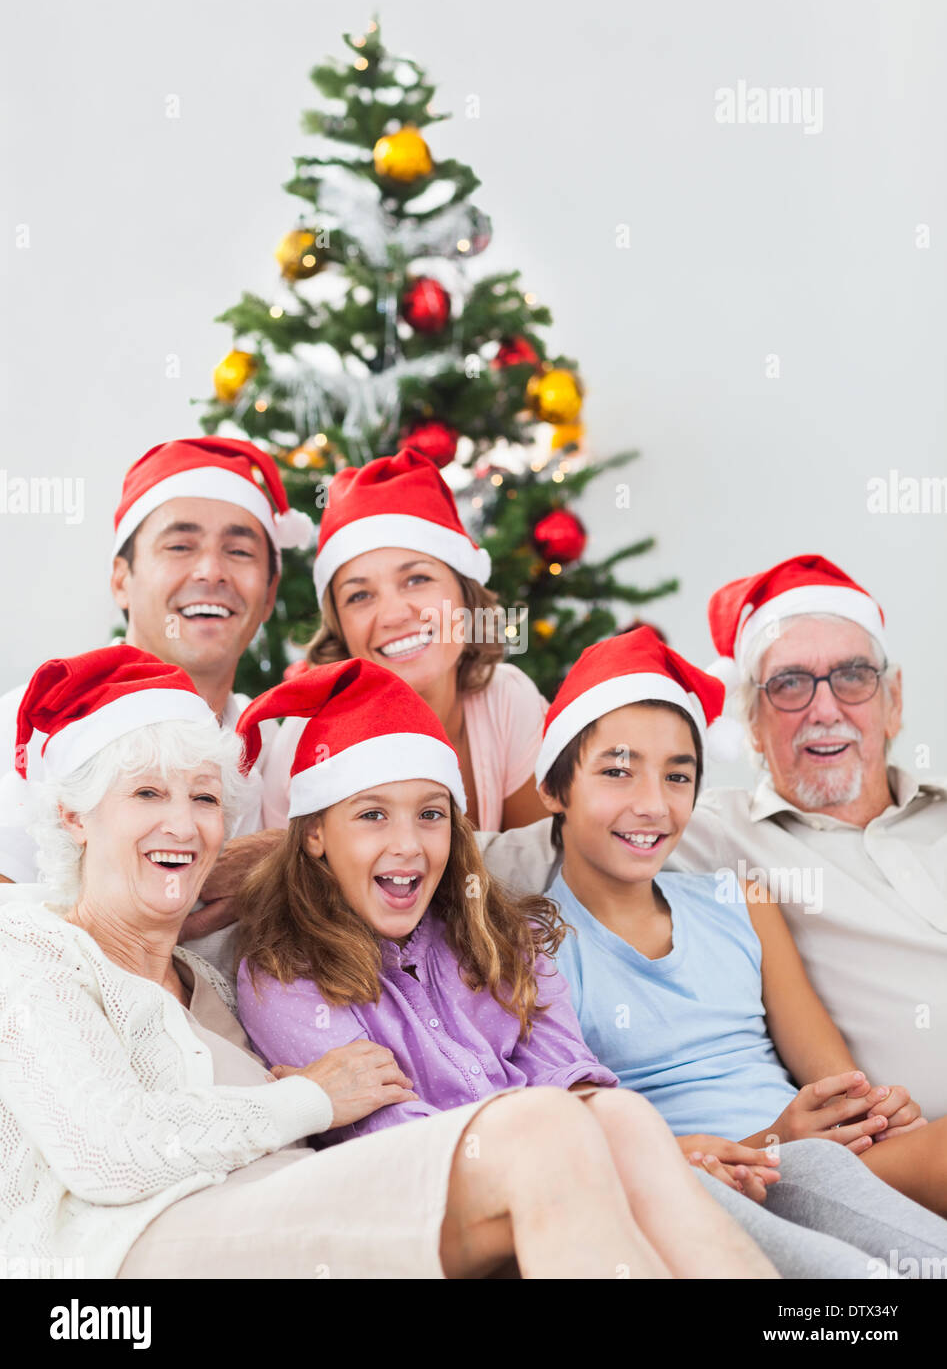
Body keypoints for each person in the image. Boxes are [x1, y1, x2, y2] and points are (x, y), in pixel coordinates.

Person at [0, 645, 777, 1281]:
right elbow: (110, 1152)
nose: (184, 825)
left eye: (204, 799)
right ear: (73, 815)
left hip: (296, 1214)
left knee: (622, 1119)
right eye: (146, 795)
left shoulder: (203, 981)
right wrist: (307, 1099)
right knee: (538, 1127)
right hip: (117, 1259)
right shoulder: (29, 946)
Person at [529, 626, 947, 1266]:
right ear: (554, 790)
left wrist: (872, 1110)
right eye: (617, 772)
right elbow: (581, 1147)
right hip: (704, 1179)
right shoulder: (532, 945)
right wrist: (775, 1140)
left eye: (677, 776)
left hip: (816, 1155)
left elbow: (838, 1084)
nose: (651, 804)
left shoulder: (740, 902)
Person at [479, 555, 947, 1118]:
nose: (825, 709)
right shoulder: (715, 836)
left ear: (893, 699)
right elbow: (464, 856)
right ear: (751, 721)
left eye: (852, 676)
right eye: (790, 684)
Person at [231, 657, 618, 1147]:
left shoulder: (502, 938)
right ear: (314, 834)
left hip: (564, 1159)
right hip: (438, 1196)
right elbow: (395, 1137)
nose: (409, 845)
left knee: (635, 1130)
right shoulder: (285, 975)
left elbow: (569, 1075)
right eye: (373, 815)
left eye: (430, 814)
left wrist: (617, 1138)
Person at [0, 435, 315, 966]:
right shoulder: (30, 725)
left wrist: (284, 857)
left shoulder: (287, 754)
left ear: (268, 596)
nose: (211, 571)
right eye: (179, 545)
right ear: (121, 579)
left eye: (239, 551)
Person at [260, 448, 549, 833]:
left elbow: (539, 870)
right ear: (340, 629)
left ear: (465, 595)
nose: (394, 615)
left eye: (417, 579)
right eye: (359, 596)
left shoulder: (508, 700)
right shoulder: (305, 744)